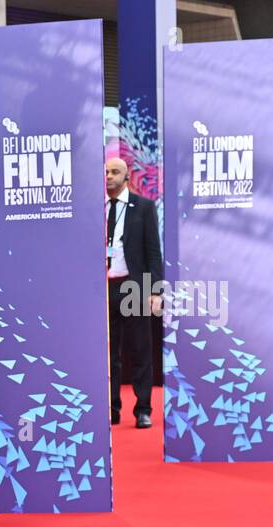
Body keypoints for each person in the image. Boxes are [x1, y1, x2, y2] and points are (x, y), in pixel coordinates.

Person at [103, 156, 163, 429]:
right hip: (104, 288)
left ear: (126, 177)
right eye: (106, 172)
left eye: (115, 172)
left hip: (134, 286)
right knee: (109, 353)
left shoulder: (144, 207)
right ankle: (112, 407)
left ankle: (143, 408)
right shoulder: (96, 210)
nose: (109, 177)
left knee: (140, 349)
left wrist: (155, 291)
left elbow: (153, 251)